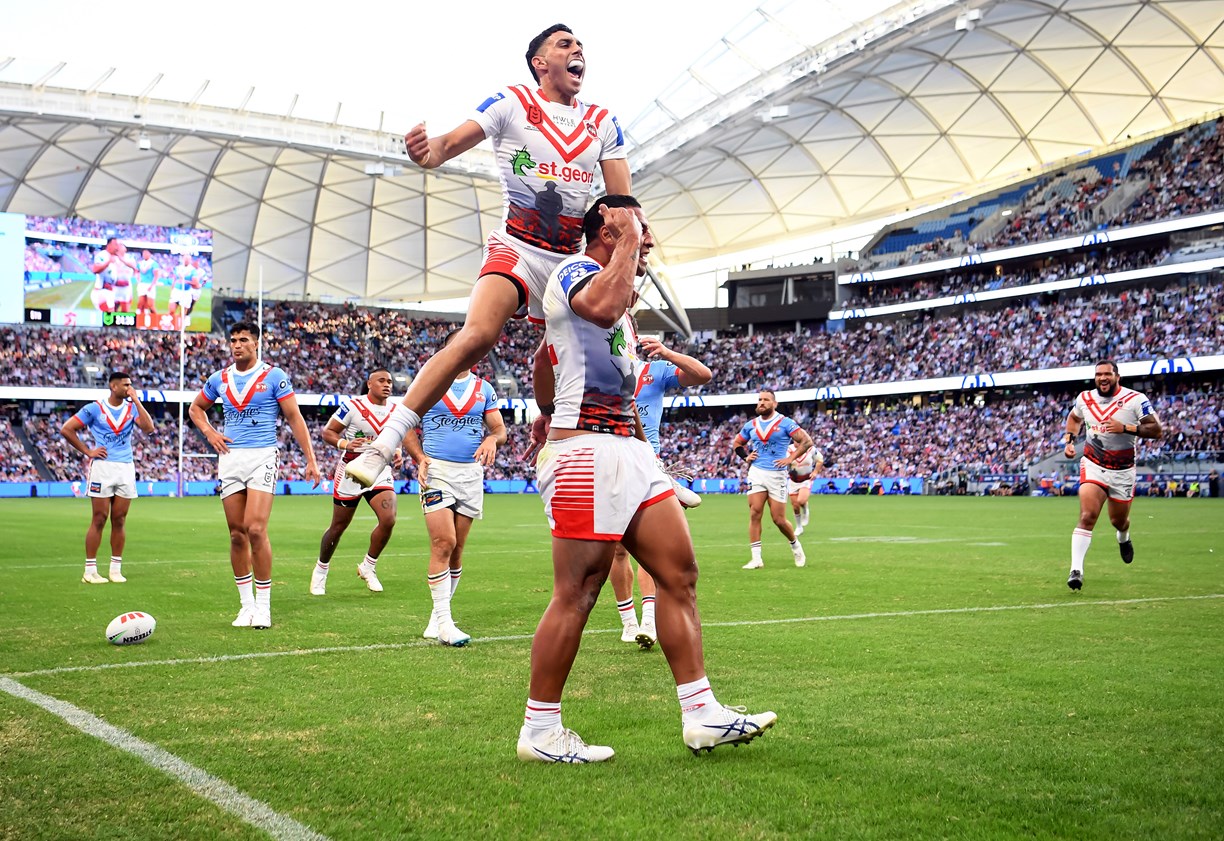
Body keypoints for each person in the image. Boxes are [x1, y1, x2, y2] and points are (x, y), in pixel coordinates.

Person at [517, 195, 776, 763]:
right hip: (585, 451)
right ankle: (539, 731)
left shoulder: (622, 304)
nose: (649, 239)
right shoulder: (576, 273)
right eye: (640, 227)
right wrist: (628, 239)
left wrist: (544, 410)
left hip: (630, 453)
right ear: (607, 227)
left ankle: (701, 713)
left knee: (679, 573)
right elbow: (597, 316)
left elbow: (545, 358)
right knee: (578, 592)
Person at [344, 23, 630, 491]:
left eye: (580, 46)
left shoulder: (603, 122)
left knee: (608, 356)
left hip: (569, 263)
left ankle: (643, 461)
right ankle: (384, 444)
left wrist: (626, 257)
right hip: (516, 246)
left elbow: (621, 206)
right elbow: (445, 146)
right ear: (540, 63)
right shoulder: (512, 102)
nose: (577, 51)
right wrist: (426, 152)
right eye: (565, 45)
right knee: (477, 337)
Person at [189, 322, 320, 629]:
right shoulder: (219, 379)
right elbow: (196, 409)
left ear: (256, 344)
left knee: (256, 529)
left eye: (243, 340)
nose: (237, 345)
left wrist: (310, 460)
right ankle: (246, 606)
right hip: (230, 459)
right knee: (236, 533)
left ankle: (264, 607)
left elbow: (294, 417)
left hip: (262, 455)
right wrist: (210, 432)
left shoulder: (274, 376)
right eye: (233, 340)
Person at [403, 331, 508, 647]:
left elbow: (499, 429)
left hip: (470, 475)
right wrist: (419, 457)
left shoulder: (483, 389)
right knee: (443, 542)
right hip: (437, 472)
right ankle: (446, 624)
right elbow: (406, 424)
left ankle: (438, 617)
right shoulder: (431, 381)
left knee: (457, 549)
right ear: (446, 349)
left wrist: (491, 438)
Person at [609, 336, 712, 650]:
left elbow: (703, 375)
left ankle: (649, 620)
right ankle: (628, 622)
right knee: (617, 550)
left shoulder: (655, 370)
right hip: (611, 462)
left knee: (650, 546)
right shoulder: (602, 371)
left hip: (645, 461)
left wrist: (667, 352)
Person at [1064, 360, 1162, 591]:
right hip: (1093, 464)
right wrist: (1069, 441)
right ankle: (1076, 570)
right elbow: (1074, 418)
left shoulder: (1135, 400)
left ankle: (1123, 536)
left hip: (1123, 471)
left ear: (1117, 376)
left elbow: (1156, 430)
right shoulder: (1084, 398)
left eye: (1107, 374)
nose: (1102, 378)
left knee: (1118, 520)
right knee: (1088, 515)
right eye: (1098, 374)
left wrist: (1126, 428)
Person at [310, 368, 404, 597]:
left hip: (379, 469)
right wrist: (344, 444)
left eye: (390, 381)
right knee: (338, 527)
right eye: (381, 380)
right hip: (351, 471)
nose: (387, 384)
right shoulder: (353, 406)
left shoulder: (396, 410)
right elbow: (328, 432)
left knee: (389, 519)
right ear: (369, 383)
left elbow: (396, 436)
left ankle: (368, 567)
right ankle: (321, 570)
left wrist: (399, 450)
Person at [60, 372, 154, 583]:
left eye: (130, 385)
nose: (129, 388)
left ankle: (115, 569)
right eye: (125, 385)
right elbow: (67, 429)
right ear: (113, 386)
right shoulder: (95, 408)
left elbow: (149, 429)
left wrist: (137, 400)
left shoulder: (131, 408)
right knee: (100, 518)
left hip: (126, 467)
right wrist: (88, 451)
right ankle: (90, 571)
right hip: (103, 467)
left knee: (119, 519)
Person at [731, 391, 816, 569]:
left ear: (774, 404)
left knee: (778, 519)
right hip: (756, 472)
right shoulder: (751, 425)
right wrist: (745, 457)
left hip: (777, 474)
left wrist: (790, 459)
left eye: (766, 400)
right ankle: (756, 559)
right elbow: (737, 444)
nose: (762, 403)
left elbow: (807, 441)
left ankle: (795, 545)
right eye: (760, 400)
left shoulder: (785, 422)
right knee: (755, 513)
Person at [786, 440, 824, 537]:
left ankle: (805, 509)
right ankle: (799, 527)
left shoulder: (810, 448)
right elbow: (783, 462)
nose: (797, 442)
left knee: (801, 501)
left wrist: (815, 472)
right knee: (795, 506)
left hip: (806, 480)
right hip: (793, 481)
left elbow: (820, 460)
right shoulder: (788, 449)